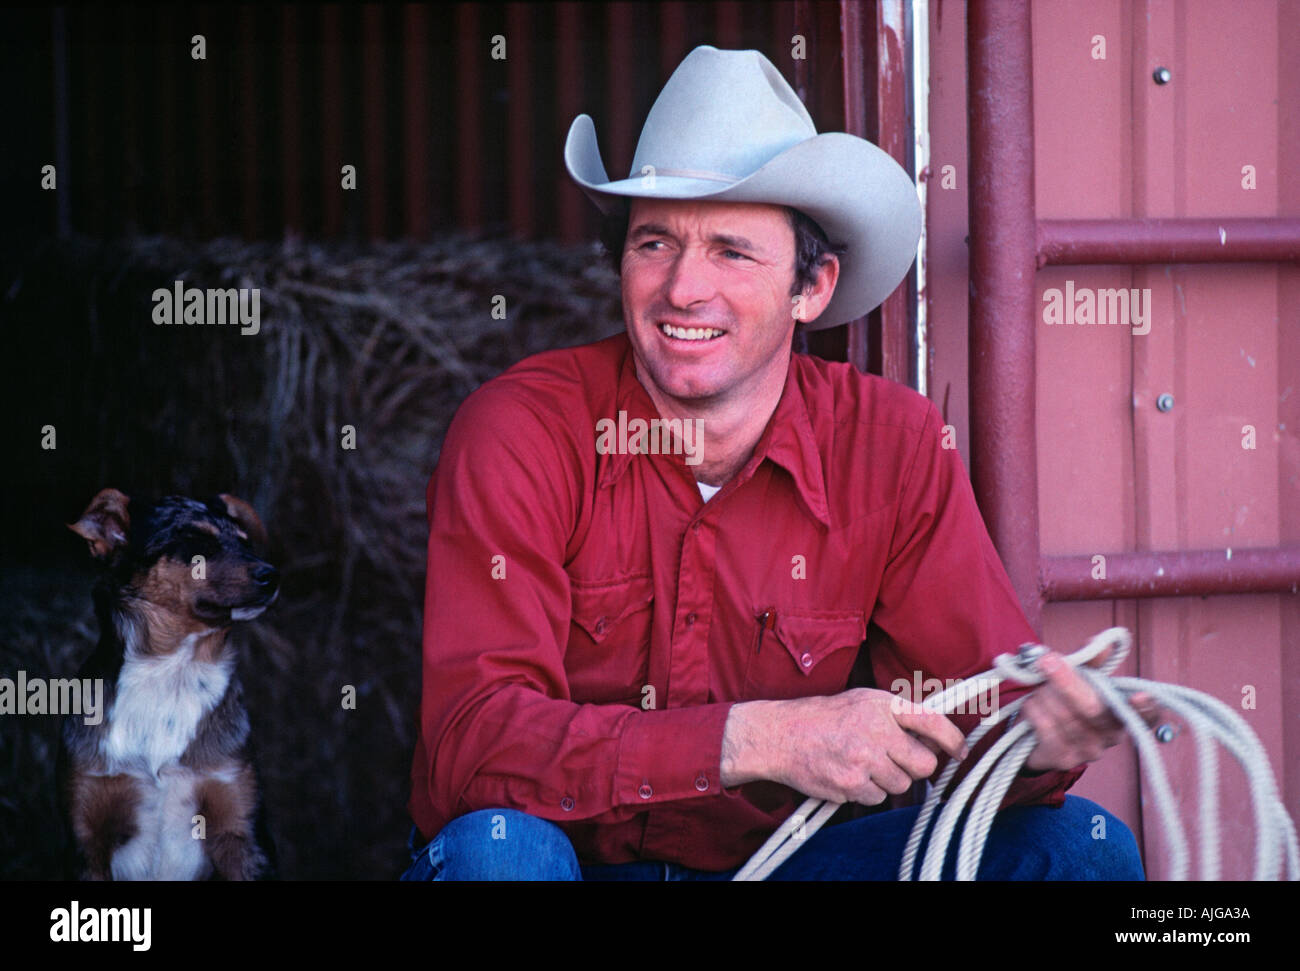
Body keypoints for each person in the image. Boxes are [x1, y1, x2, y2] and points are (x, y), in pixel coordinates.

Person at [402, 45, 1157, 881]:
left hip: (786, 867)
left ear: (814, 287)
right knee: (496, 856)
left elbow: (978, 715)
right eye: (654, 242)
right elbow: (472, 747)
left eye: (732, 250)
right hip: (575, 864)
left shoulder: (891, 446)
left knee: (1075, 851)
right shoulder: (523, 430)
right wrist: (761, 738)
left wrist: (1042, 738)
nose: (684, 287)